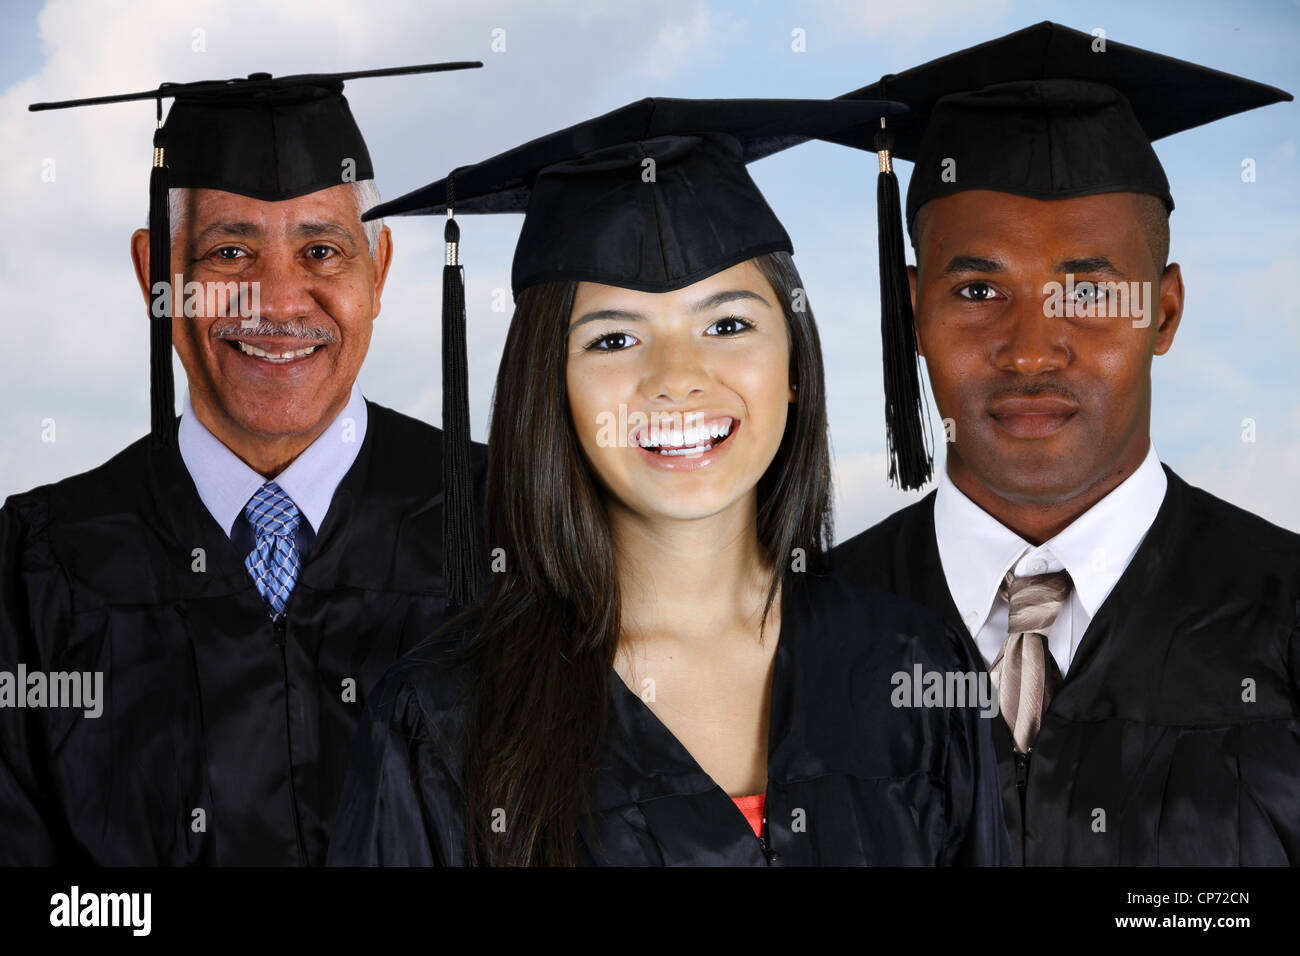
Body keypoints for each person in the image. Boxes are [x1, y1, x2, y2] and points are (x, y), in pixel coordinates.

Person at [328, 97, 1011, 866]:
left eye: (727, 325)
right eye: (615, 339)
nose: (678, 378)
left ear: (794, 365)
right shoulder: (444, 718)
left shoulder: (916, 666)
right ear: (549, 389)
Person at [831, 21, 1300, 864]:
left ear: (1164, 313)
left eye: (1088, 293)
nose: (1030, 352)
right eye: (979, 291)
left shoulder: (1285, 614)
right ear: (912, 313)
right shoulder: (800, 635)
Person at [0, 63, 489, 865]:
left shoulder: (511, 520)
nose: (280, 300)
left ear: (379, 270)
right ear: (157, 276)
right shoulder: (36, 568)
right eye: (229, 252)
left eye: (323, 250)